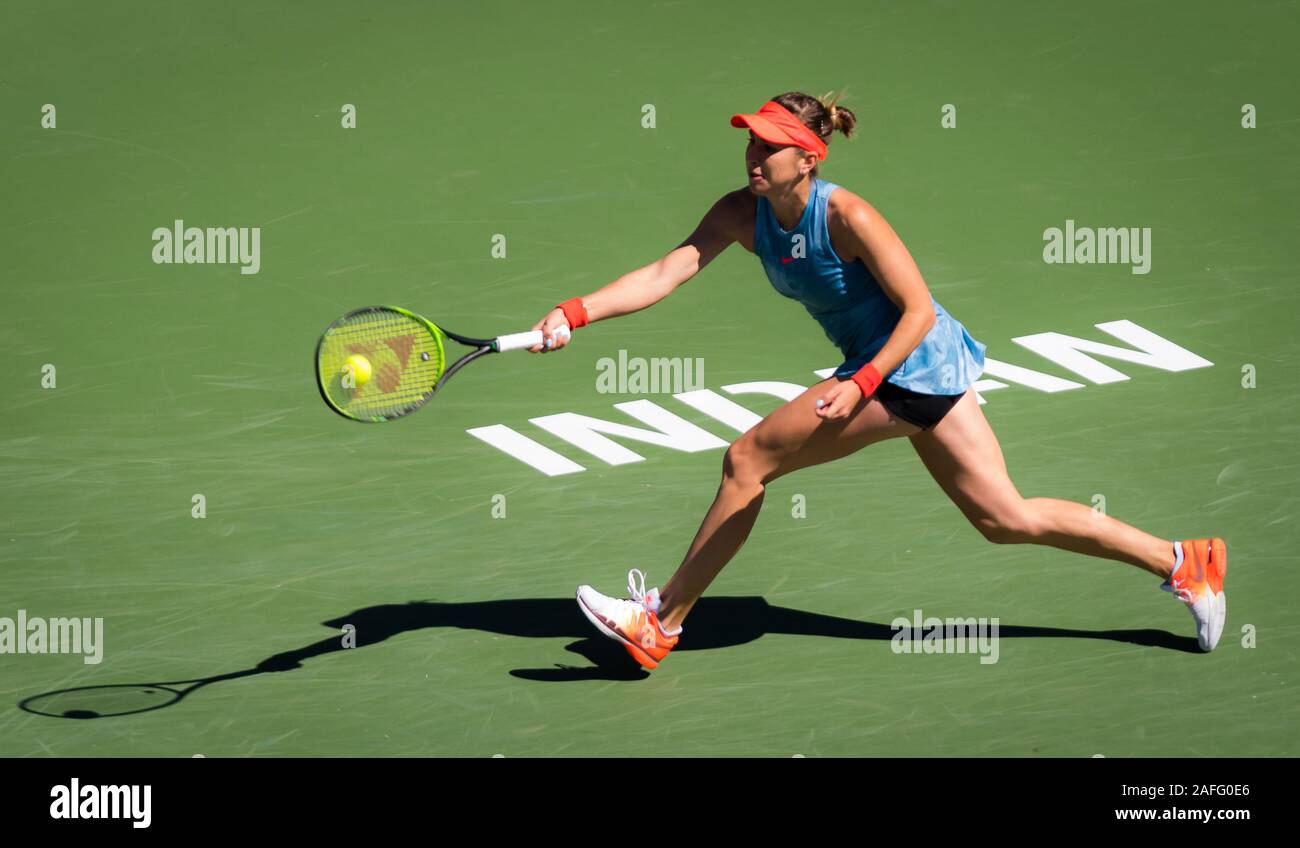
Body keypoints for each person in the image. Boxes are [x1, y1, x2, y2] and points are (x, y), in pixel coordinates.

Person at [528, 91, 1227, 670]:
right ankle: (1183, 560)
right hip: (915, 371)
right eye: (749, 141)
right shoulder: (740, 213)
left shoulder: (846, 215)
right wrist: (573, 314)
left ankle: (663, 621)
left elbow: (919, 310)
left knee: (749, 458)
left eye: (769, 146)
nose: (753, 156)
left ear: (808, 157)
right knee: (1004, 518)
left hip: (910, 367)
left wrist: (861, 383)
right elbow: (665, 272)